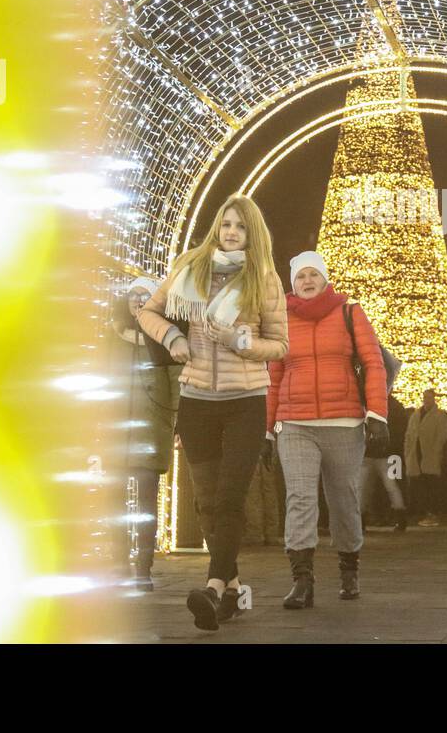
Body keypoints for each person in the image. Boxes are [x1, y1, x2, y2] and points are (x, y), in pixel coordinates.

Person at [136, 194, 288, 631]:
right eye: (225, 225)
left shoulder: (265, 279)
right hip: (198, 398)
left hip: (245, 400)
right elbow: (149, 311)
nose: (231, 232)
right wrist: (172, 339)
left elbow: (280, 345)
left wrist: (243, 344)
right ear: (216, 228)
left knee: (229, 497)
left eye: (240, 227)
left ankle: (215, 587)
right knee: (206, 502)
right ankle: (235, 590)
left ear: (251, 233)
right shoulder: (190, 268)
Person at [267, 251, 388, 608]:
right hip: (295, 423)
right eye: (300, 276)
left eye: (312, 275)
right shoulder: (281, 320)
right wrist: (267, 430)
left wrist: (377, 414)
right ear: (293, 283)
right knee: (300, 498)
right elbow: (273, 376)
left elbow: (373, 362)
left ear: (324, 279)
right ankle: (302, 581)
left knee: (343, 499)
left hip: (344, 423)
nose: (306, 281)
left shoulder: (350, 311)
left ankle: (349, 567)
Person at [109, 276, 176, 590]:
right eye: (132, 294)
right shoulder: (112, 337)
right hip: (115, 433)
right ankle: (119, 564)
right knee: (115, 501)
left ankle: (143, 568)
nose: (136, 300)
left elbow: (176, 384)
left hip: (150, 430)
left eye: (143, 295)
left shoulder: (164, 339)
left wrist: (176, 423)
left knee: (147, 502)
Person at [361, 390, 408, 532]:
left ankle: (361, 520)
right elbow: (400, 432)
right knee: (392, 487)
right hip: (388, 454)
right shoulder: (396, 407)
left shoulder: (368, 406)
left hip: (369, 454)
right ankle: (400, 518)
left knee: (363, 488)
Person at [405, 389, 447, 527]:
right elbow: (409, 435)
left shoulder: (440, 415)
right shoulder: (416, 415)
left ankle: (432, 513)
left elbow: (441, 436)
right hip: (416, 455)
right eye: (425, 397)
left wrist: (436, 452)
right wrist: (407, 452)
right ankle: (423, 512)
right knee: (420, 486)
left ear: (434, 399)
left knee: (431, 485)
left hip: (430, 455)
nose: (426, 400)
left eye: (429, 397)